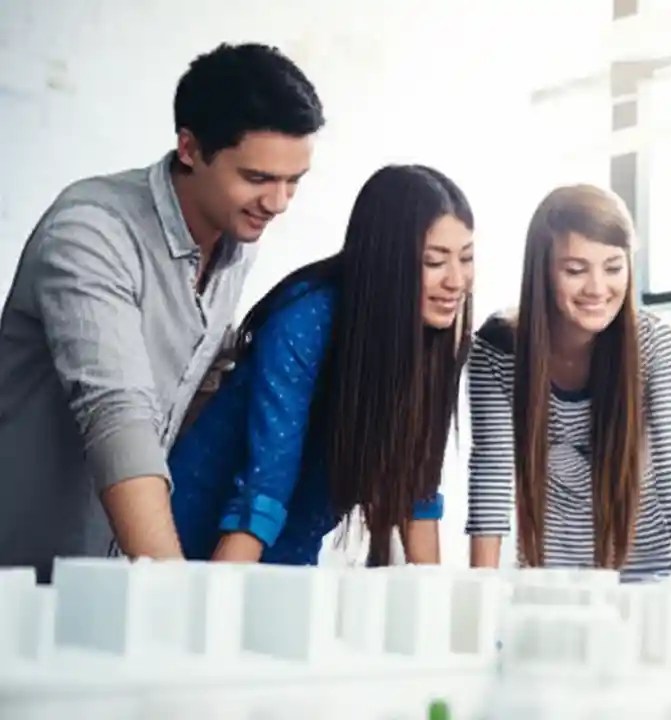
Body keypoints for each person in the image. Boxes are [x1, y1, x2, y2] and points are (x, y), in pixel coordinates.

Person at [0, 43, 324, 581]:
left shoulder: (235, 239)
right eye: (258, 178)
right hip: (17, 576)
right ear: (190, 148)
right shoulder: (91, 232)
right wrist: (173, 590)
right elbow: (117, 413)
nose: (279, 202)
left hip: (109, 579)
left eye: (294, 181)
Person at [166, 165, 473, 567]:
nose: (456, 281)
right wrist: (210, 598)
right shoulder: (306, 319)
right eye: (435, 262)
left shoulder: (435, 331)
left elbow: (418, 489)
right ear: (387, 264)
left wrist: (439, 615)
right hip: (202, 538)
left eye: (466, 258)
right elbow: (265, 485)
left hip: (294, 549)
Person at [466, 185, 671, 582]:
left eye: (614, 267)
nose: (598, 288)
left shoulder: (657, 346)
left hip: (644, 581)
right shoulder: (497, 350)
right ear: (542, 271)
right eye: (576, 270)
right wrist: (478, 600)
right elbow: (491, 474)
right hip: (546, 584)